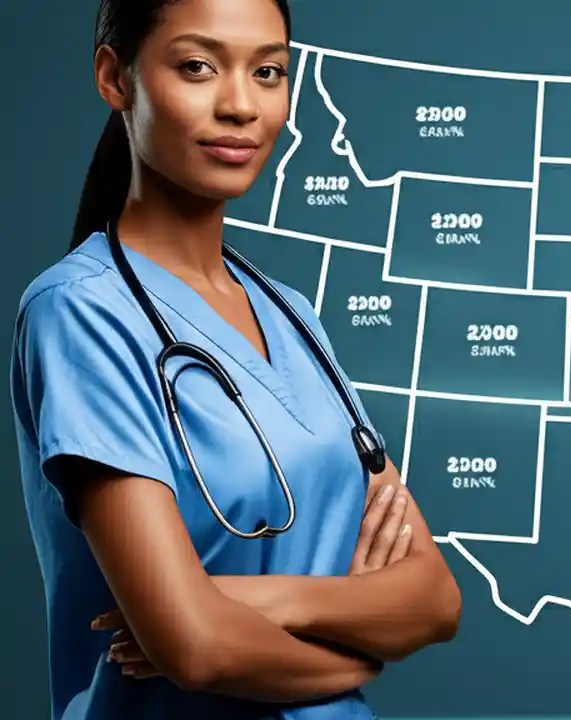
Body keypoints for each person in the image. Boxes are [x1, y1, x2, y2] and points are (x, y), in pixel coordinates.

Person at [8, 1, 462, 718]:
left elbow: (434, 598)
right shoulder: (78, 313)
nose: (241, 106)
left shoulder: (293, 315)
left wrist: (248, 597)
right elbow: (196, 650)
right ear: (113, 77)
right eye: (197, 67)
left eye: (269, 71)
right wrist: (359, 647)